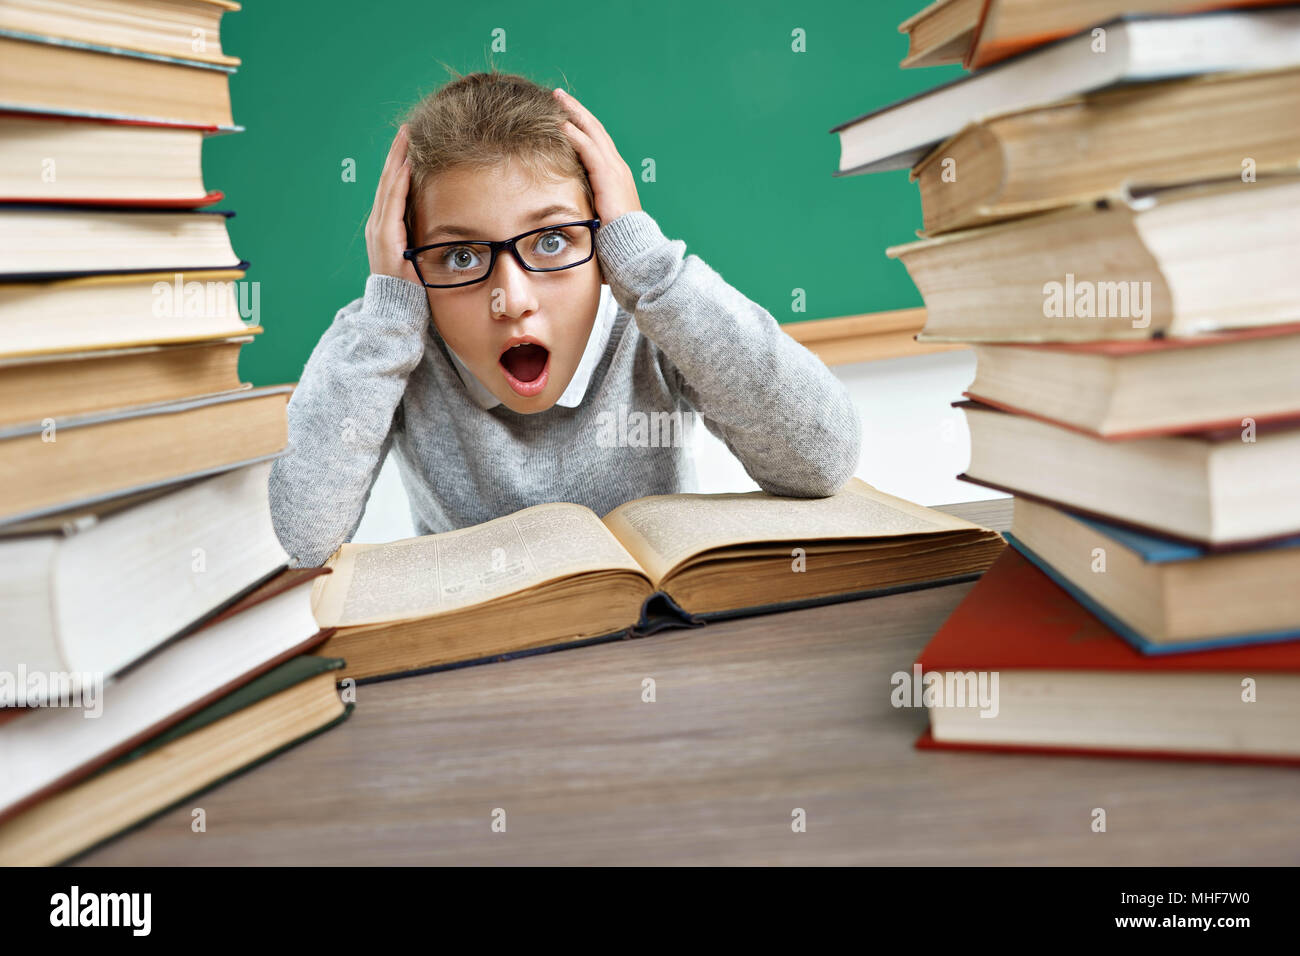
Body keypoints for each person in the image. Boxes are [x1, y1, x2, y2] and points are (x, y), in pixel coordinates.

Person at [268, 68, 861, 567]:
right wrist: (384, 322)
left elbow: (822, 461)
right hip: (483, 662)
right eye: (460, 255)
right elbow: (305, 538)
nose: (513, 299)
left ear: (604, 240)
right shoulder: (393, 340)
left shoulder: (654, 313)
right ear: (409, 263)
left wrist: (652, 269)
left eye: (551, 240)